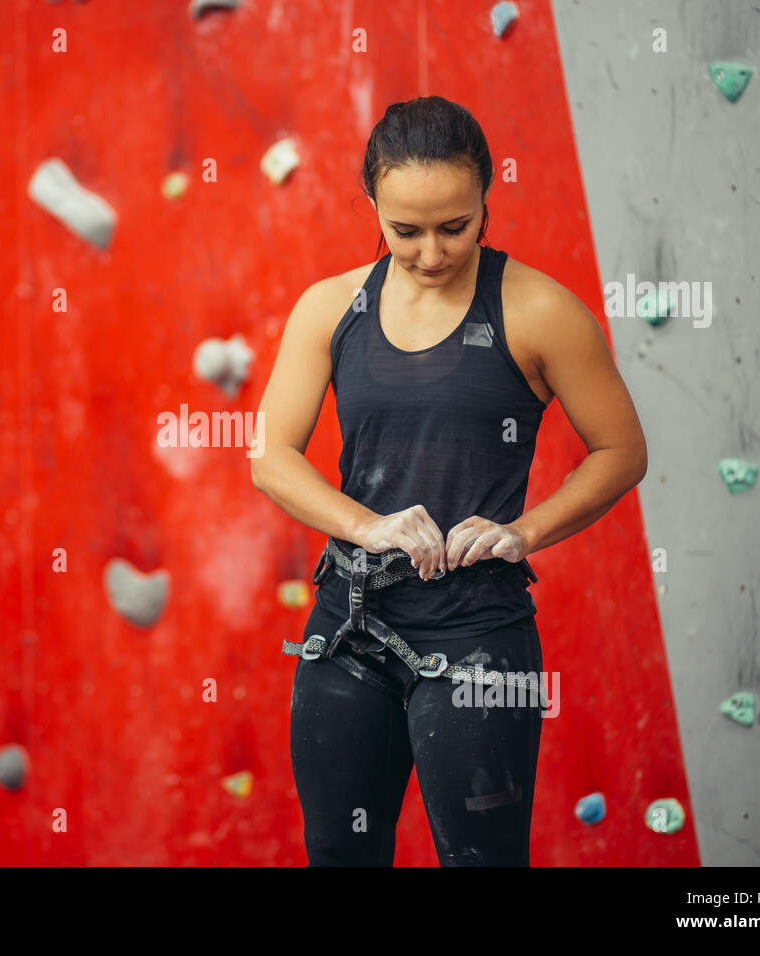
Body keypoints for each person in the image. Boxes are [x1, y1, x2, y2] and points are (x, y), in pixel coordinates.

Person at [250, 96, 648, 866]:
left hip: (478, 635)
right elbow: (270, 456)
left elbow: (621, 451)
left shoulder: (538, 310)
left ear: (486, 199)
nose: (431, 252)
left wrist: (524, 531)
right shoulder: (330, 308)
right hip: (349, 625)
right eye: (405, 231)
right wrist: (367, 525)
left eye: (454, 226)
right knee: (339, 854)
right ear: (371, 204)